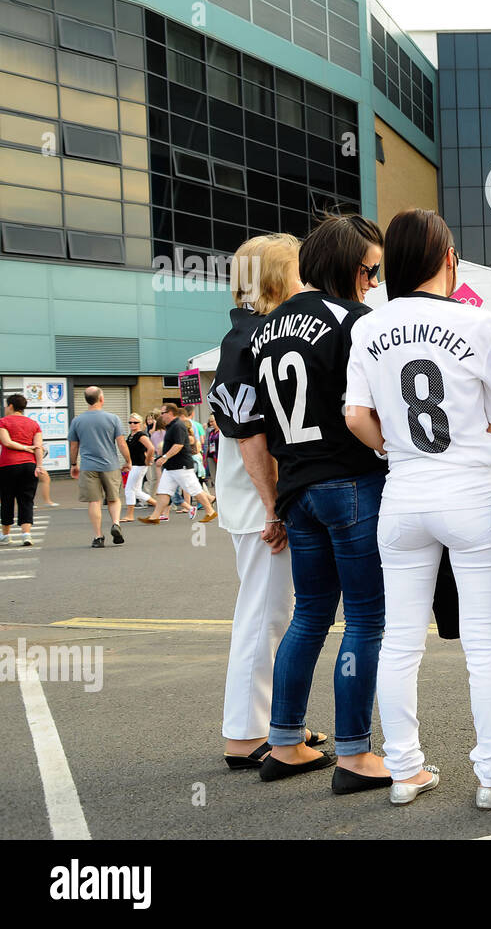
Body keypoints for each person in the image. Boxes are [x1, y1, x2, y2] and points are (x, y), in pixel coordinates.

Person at [345, 209, 491, 808]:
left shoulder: (368, 327)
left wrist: (391, 445)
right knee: (485, 643)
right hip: (471, 489)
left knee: (400, 642)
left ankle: (404, 770)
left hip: (405, 491)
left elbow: (355, 416)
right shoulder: (480, 324)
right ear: (449, 259)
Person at [252, 213, 391, 794]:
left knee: (310, 615)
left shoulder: (265, 330)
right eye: (368, 269)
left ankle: (285, 741)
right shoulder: (355, 322)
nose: (373, 281)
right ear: (344, 265)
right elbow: (370, 406)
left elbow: (253, 423)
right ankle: (356, 756)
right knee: (364, 618)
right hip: (351, 481)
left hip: (298, 488)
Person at [211, 232, 327, 769]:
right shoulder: (249, 340)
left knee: (270, 613)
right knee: (264, 616)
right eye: (300, 271)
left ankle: (273, 722)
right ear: (281, 278)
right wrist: (273, 506)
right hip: (260, 501)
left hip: (255, 498)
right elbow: (247, 435)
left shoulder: (244, 335)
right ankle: (245, 733)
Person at [67, 386, 130, 548]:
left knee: (94, 501)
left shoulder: (77, 421)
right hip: (110, 465)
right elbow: (121, 443)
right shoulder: (113, 418)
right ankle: (116, 523)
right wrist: (127, 461)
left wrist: (74, 464)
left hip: (88, 466)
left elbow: (74, 446)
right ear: (101, 399)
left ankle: (98, 536)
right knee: (113, 498)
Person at [138, 404, 217, 524]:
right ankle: (155, 516)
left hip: (182, 465)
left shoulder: (178, 426)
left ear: (170, 413)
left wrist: (164, 457)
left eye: (163, 413)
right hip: (171, 467)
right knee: (163, 491)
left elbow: (179, 445)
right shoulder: (171, 426)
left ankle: (210, 511)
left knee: (194, 489)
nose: (161, 415)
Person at [0, 394, 44, 546]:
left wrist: (24, 447)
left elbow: (6, 442)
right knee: (26, 499)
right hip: (29, 466)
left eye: (6, 406)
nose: (5, 408)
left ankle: (5, 535)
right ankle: (26, 534)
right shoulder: (34, 424)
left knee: (7, 499)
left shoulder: (3, 422)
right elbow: (38, 447)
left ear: (11, 406)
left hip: (8, 465)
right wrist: (39, 465)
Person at [121, 413, 156, 522]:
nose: (132, 424)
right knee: (136, 491)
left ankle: (130, 515)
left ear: (141, 424)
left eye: (135, 422)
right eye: (130, 422)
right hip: (134, 465)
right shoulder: (131, 435)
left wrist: (147, 460)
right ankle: (160, 505)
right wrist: (127, 463)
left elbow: (151, 448)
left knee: (129, 489)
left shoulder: (141, 435)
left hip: (140, 465)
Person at [203, 414, 219, 491]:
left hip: (219, 456)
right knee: (214, 476)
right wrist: (205, 458)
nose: (211, 423)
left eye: (212, 421)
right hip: (211, 456)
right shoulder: (211, 432)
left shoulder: (222, 432)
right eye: (210, 422)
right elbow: (209, 445)